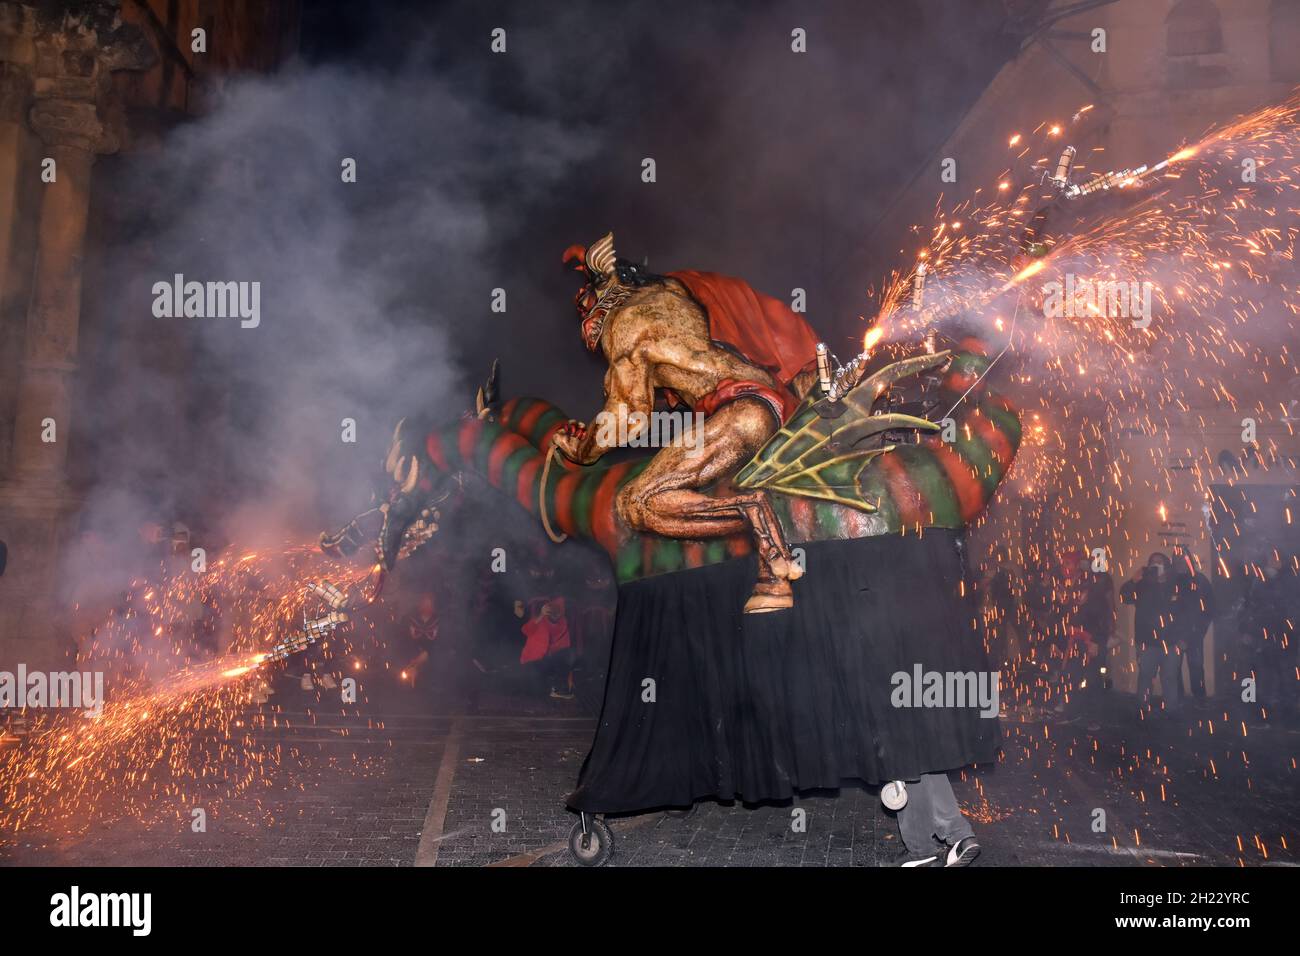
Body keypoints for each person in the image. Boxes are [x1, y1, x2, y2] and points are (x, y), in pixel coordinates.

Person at [1122, 553, 1178, 715]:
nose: (1156, 566)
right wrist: (1134, 580)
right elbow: (1124, 596)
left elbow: (1184, 610)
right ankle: (1142, 710)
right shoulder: (1143, 583)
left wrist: (1182, 637)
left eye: (1160, 563)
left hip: (1171, 641)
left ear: (1166, 566)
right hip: (1146, 641)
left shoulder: (1174, 582)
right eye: (1153, 563)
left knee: (1169, 678)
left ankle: (1171, 711)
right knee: (1145, 676)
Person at [1168, 551, 1214, 703]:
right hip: (1172, 635)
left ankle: (1200, 699)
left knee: (1196, 667)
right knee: (1174, 669)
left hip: (1194, 634)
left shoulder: (1200, 580)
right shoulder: (1169, 580)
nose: (1180, 562)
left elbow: (1207, 609)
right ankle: (1178, 699)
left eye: (1183, 559)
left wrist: (1196, 632)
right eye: (1177, 560)